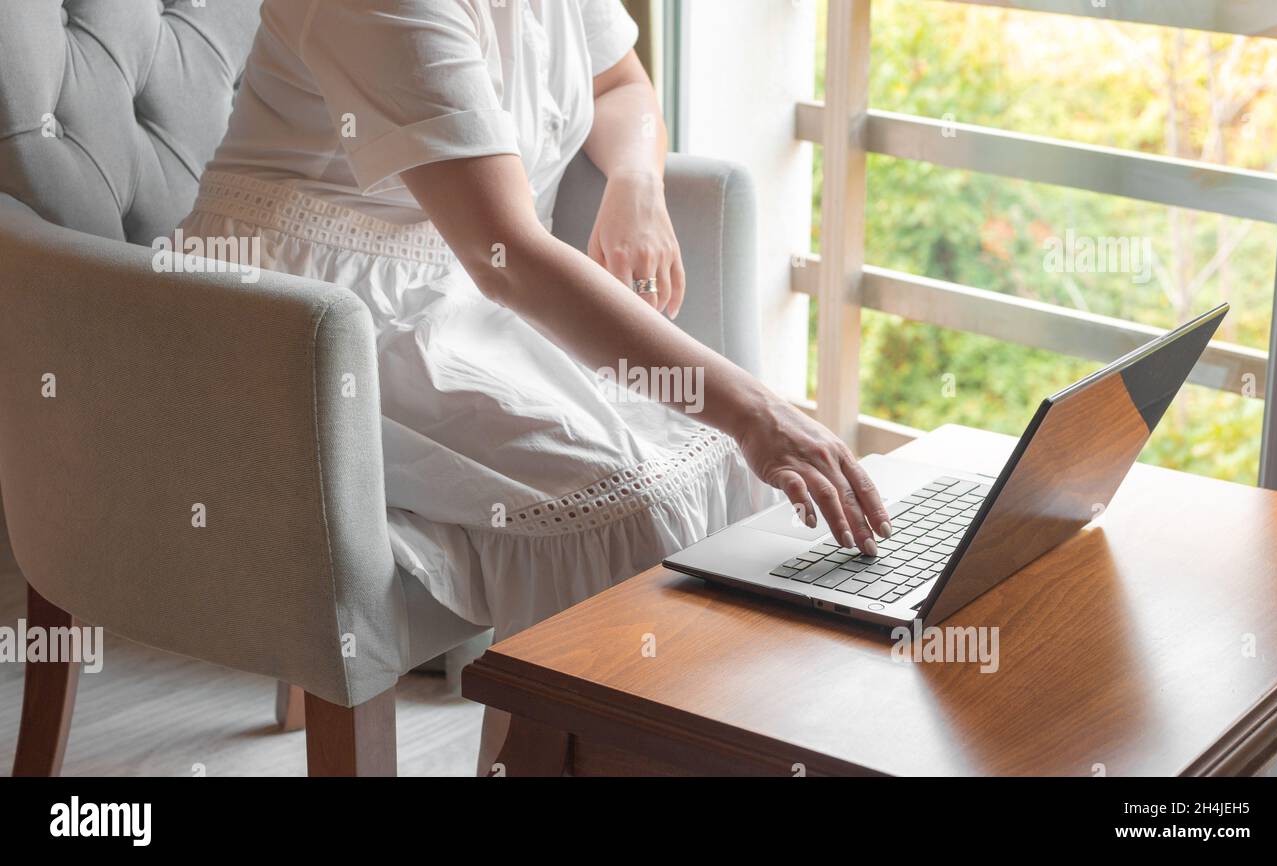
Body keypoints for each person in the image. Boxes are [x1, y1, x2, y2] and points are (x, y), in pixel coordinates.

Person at [178, 0, 891, 772]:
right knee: (625, 509)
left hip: (455, 300)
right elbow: (506, 254)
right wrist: (757, 410)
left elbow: (622, 84)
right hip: (307, 320)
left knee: (715, 463)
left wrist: (636, 181)